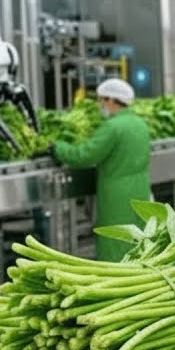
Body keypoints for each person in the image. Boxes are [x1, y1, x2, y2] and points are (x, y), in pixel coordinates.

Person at [49, 78, 151, 262]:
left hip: (117, 194)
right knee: (136, 237)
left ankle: (116, 283)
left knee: (115, 237)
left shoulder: (112, 127)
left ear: (112, 100)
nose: (101, 105)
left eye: (102, 100)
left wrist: (58, 148)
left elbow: (85, 155)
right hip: (140, 188)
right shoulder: (139, 123)